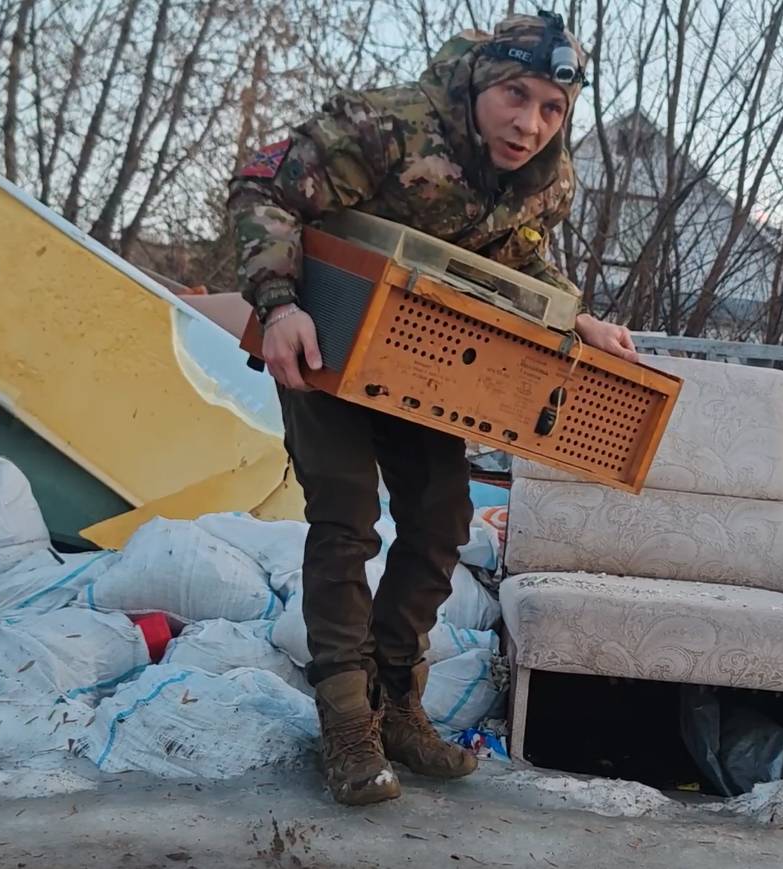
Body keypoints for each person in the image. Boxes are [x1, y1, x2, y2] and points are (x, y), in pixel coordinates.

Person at [226, 11, 637, 806]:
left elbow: (513, 257)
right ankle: (347, 723)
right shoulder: (388, 126)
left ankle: (397, 706)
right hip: (325, 335)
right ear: (483, 80)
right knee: (346, 513)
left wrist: (570, 312)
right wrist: (278, 304)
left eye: (552, 108)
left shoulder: (543, 178)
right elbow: (261, 187)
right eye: (516, 95)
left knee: (442, 517)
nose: (530, 123)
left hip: (423, 356)